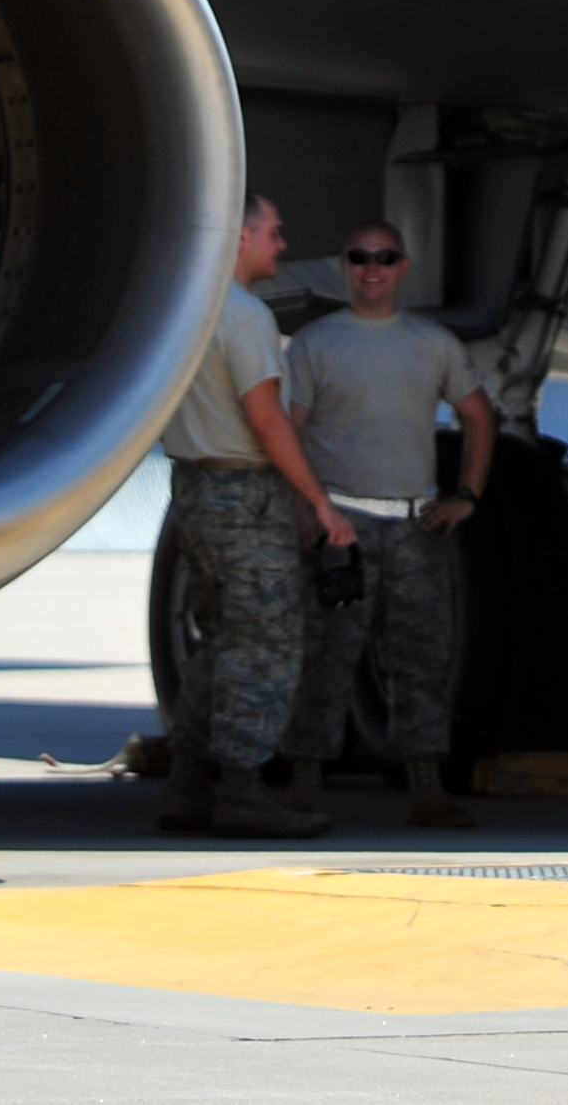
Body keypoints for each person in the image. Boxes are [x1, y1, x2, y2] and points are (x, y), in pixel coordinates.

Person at [280, 219, 498, 829]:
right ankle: (305, 778)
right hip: (343, 525)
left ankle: (425, 783)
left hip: (414, 526)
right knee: (325, 658)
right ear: (344, 267)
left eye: (384, 258)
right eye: (359, 258)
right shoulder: (315, 344)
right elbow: (288, 432)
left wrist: (466, 496)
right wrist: (305, 512)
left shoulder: (433, 344)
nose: (371, 269)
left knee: (421, 659)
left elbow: (480, 416)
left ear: (403, 267)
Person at [156, 194, 357, 839]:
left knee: (219, 640)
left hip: (192, 490)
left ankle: (189, 784)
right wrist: (319, 502)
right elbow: (267, 419)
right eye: (272, 232)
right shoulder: (243, 316)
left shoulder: (186, 306)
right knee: (264, 646)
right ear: (240, 238)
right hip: (244, 495)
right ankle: (242, 790)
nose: (282, 243)